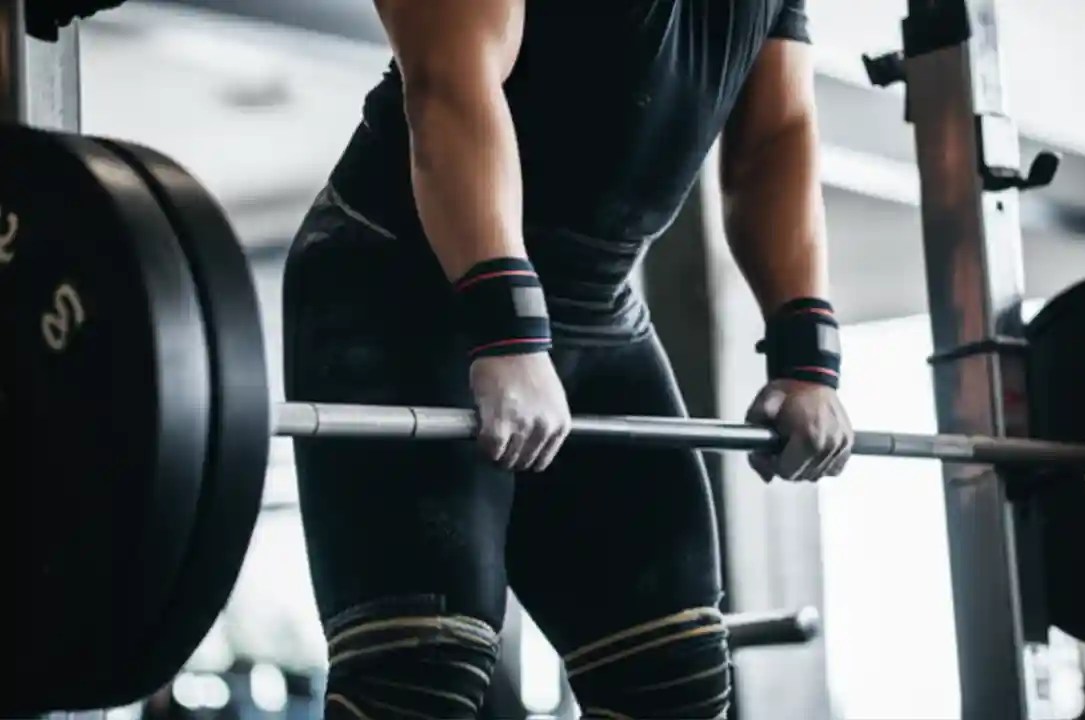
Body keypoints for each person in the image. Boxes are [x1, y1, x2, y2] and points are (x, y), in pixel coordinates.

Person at [282, 1, 855, 718]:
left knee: (674, 685)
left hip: (599, 314)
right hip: (401, 286)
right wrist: (507, 326)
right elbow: (450, 80)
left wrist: (806, 358)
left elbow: (776, 133)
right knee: (418, 685)